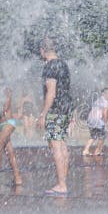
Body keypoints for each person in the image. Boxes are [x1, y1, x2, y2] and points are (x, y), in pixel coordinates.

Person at [37, 37, 72, 195]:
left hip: (55, 110)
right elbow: (67, 90)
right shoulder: (63, 65)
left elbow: (51, 93)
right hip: (65, 109)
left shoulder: (49, 67)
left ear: (42, 51)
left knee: (56, 146)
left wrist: (43, 114)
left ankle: (61, 185)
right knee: (63, 145)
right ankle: (63, 181)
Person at [0, 85, 23, 187]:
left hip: (9, 123)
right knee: (10, 152)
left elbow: (4, 109)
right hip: (2, 125)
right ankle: (17, 177)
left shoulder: (7, 93)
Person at [83, 87, 108, 157]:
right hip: (97, 120)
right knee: (102, 136)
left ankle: (85, 150)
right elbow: (104, 113)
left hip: (90, 119)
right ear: (105, 94)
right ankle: (97, 151)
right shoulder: (105, 101)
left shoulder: (98, 100)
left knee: (93, 136)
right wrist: (105, 122)